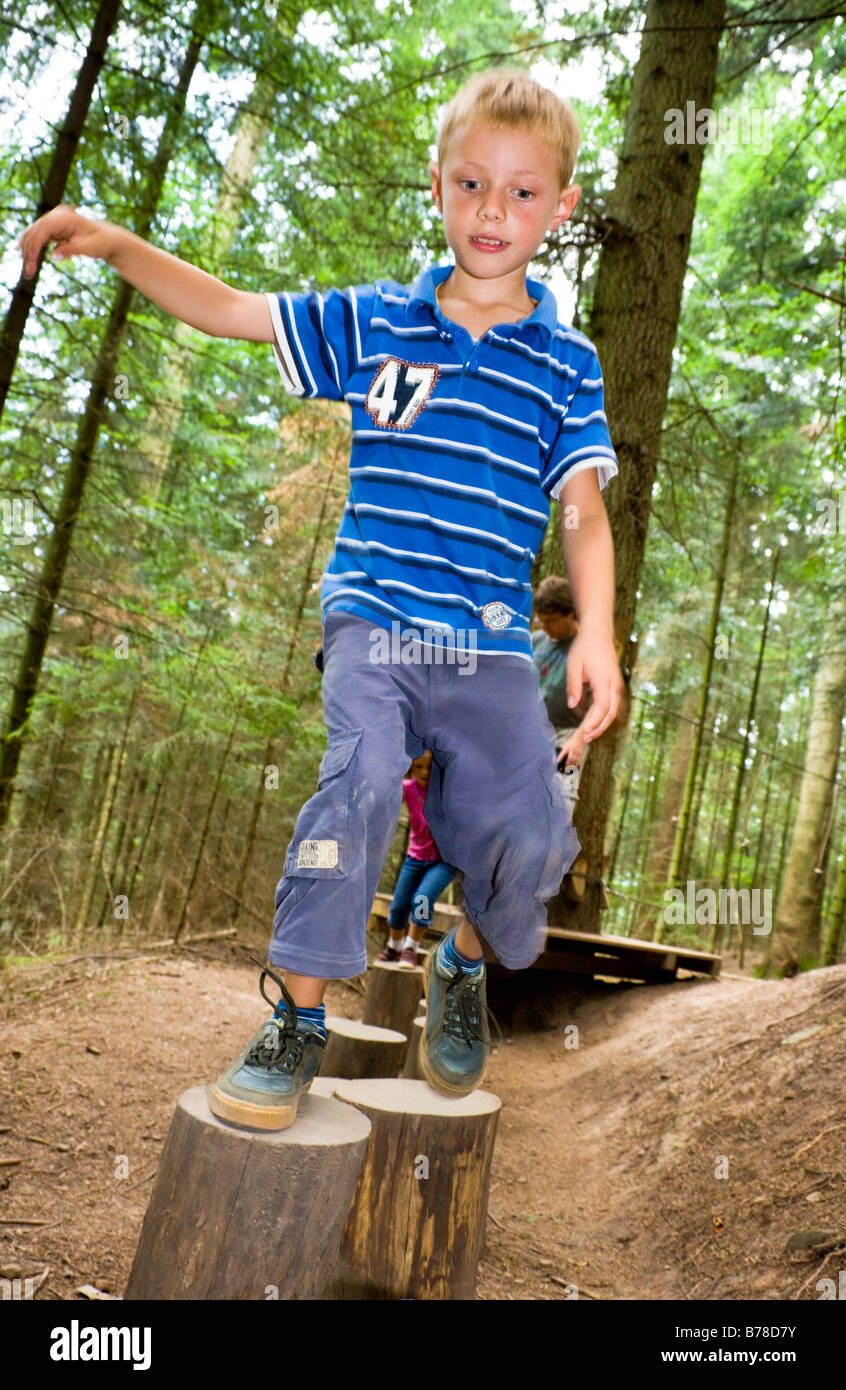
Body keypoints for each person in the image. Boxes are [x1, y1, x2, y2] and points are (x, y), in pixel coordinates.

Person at [20, 67, 622, 1131]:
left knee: (528, 819)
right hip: (376, 619)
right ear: (437, 186)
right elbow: (232, 308)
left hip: (485, 644)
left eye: (524, 193)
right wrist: (116, 244)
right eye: (472, 183)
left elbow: (581, 508)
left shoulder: (566, 365)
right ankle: (296, 1019)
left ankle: (464, 962)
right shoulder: (376, 320)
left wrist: (601, 638)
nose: (495, 210)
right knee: (354, 784)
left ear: (562, 209)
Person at [379, 751, 456, 968]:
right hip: (415, 857)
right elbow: (384, 800)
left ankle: (410, 948)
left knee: (421, 899)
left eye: (429, 767)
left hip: (444, 861)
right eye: (418, 767)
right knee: (398, 905)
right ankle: (394, 947)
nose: (424, 772)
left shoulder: (448, 791)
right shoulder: (407, 789)